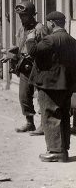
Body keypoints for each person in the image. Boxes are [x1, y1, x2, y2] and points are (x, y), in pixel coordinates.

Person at [26, 11, 76, 162]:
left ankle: (55, 151)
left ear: (52, 23)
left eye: (47, 23)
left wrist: (30, 39)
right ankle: (63, 150)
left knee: (50, 115)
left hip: (50, 85)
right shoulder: (72, 40)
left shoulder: (50, 40)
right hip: (66, 85)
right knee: (64, 116)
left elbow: (33, 51)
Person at [7, 1, 46, 135]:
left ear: (32, 15)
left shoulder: (40, 28)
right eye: (20, 16)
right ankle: (30, 123)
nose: (22, 18)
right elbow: (20, 46)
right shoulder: (21, 29)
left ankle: (43, 125)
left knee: (42, 96)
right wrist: (11, 55)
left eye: (24, 15)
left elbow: (47, 47)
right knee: (23, 95)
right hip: (24, 66)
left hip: (39, 66)